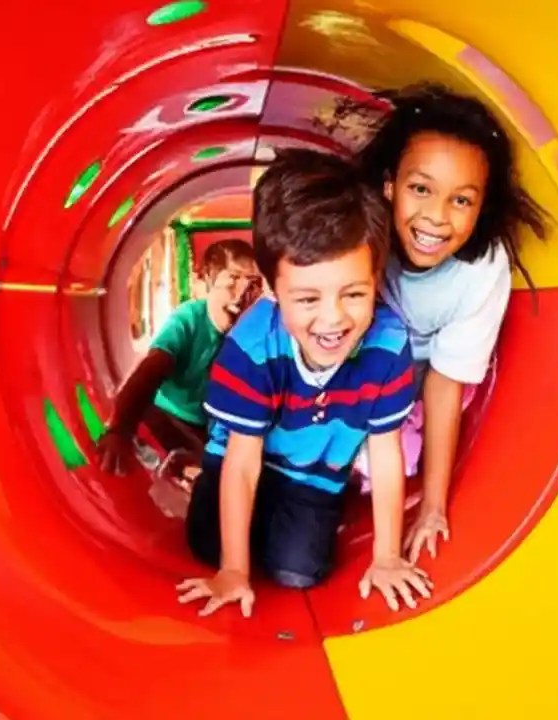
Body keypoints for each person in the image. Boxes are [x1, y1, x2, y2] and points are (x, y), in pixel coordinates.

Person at [175, 149, 429, 618]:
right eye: (308, 298)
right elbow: (244, 460)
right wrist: (233, 570)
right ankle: (200, 485)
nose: (333, 318)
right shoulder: (250, 348)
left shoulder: (389, 345)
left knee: (299, 572)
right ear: (271, 289)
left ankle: (298, 525)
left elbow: (385, 450)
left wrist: (387, 556)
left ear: (376, 278)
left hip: (313, 474)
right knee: (208, 546)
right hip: (240, 460)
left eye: (354, 294)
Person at [344, 82, 552, 562]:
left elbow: (444, 381)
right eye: (421, 189)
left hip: (412, 374)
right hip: (346, 350)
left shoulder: (481, 270)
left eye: (461, 201)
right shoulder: (359, 226)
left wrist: (432, 507)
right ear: (389, 184)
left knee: (378, 446)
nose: (436, 218)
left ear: (481, 208)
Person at [97, 239, 261, 477]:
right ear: (205, 284)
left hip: (204, 428)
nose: (242, 295)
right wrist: (119, 430)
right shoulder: (188, 320)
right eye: (232, 281)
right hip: (164, 416)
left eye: (253, 285)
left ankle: (189, 467)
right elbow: (150, 371)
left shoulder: (250, 335)